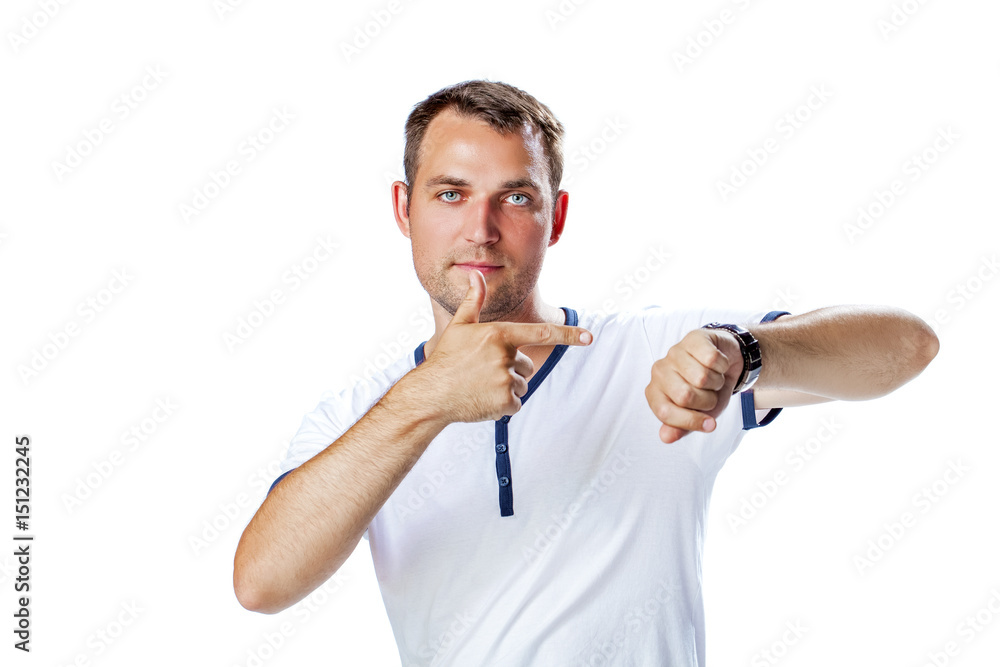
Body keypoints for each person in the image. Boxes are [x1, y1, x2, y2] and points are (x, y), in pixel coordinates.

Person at [233, 79, 939, 665]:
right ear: (402, 208)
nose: (481, 228)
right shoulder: (361, 414)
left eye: (516, 197)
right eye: (450, 193)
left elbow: (909, 346)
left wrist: (745, 354)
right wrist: (425, 401)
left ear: (557, 215)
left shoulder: (653, 351)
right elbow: (260, 582)